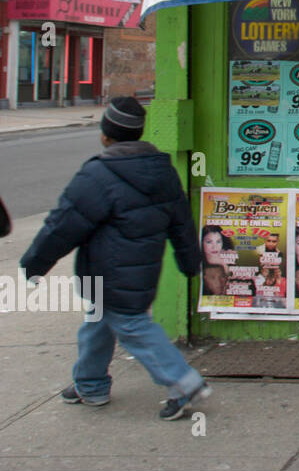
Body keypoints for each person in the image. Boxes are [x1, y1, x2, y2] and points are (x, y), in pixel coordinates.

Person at [19, 98, 213, 421]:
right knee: (98, 322)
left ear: (106, 135)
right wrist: (190, 262)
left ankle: (184, 382)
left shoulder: (98, 174)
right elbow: (181, 222)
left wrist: (35, 263)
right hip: (141, 269)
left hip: (107, 272)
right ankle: (90, 383)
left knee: (131, 325)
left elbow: (62, 226)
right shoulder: (162, 169)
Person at [200, 225, 235, 296]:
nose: (214, 247)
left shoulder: (229, 261)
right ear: (201, 242)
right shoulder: (198, 262)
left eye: (218, 241)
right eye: (209, 242)